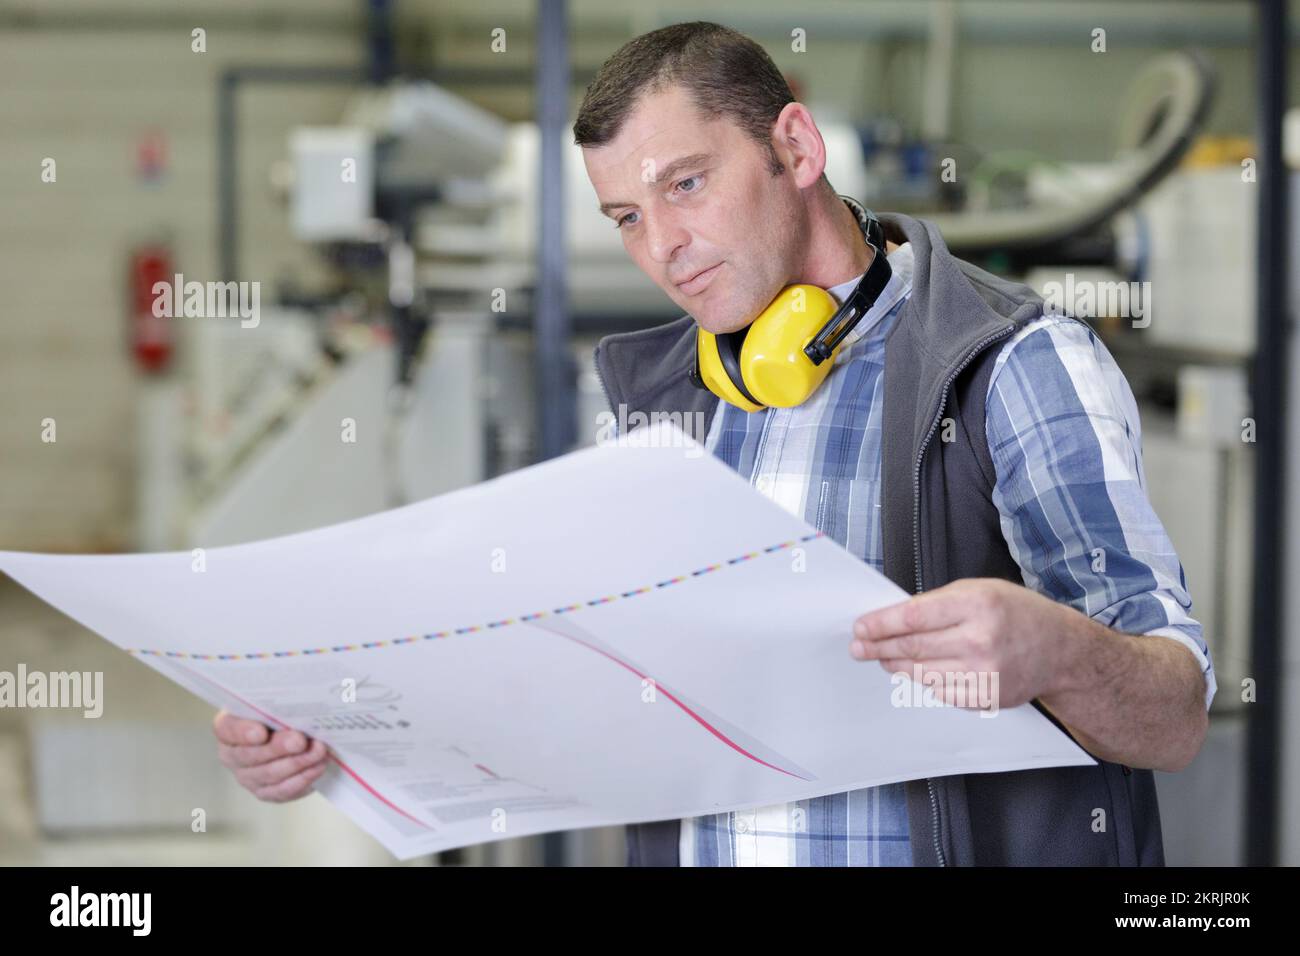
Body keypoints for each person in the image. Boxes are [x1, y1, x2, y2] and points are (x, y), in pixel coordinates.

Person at [213, 20, 1215, 866]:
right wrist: (337, 733)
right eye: (626, 218)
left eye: (686, 185)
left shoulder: (1010, 363)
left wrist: (1055, 650)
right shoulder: (662, 406)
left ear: (795, 147)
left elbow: (1172, 716)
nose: (663, 250)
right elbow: (583, 695)